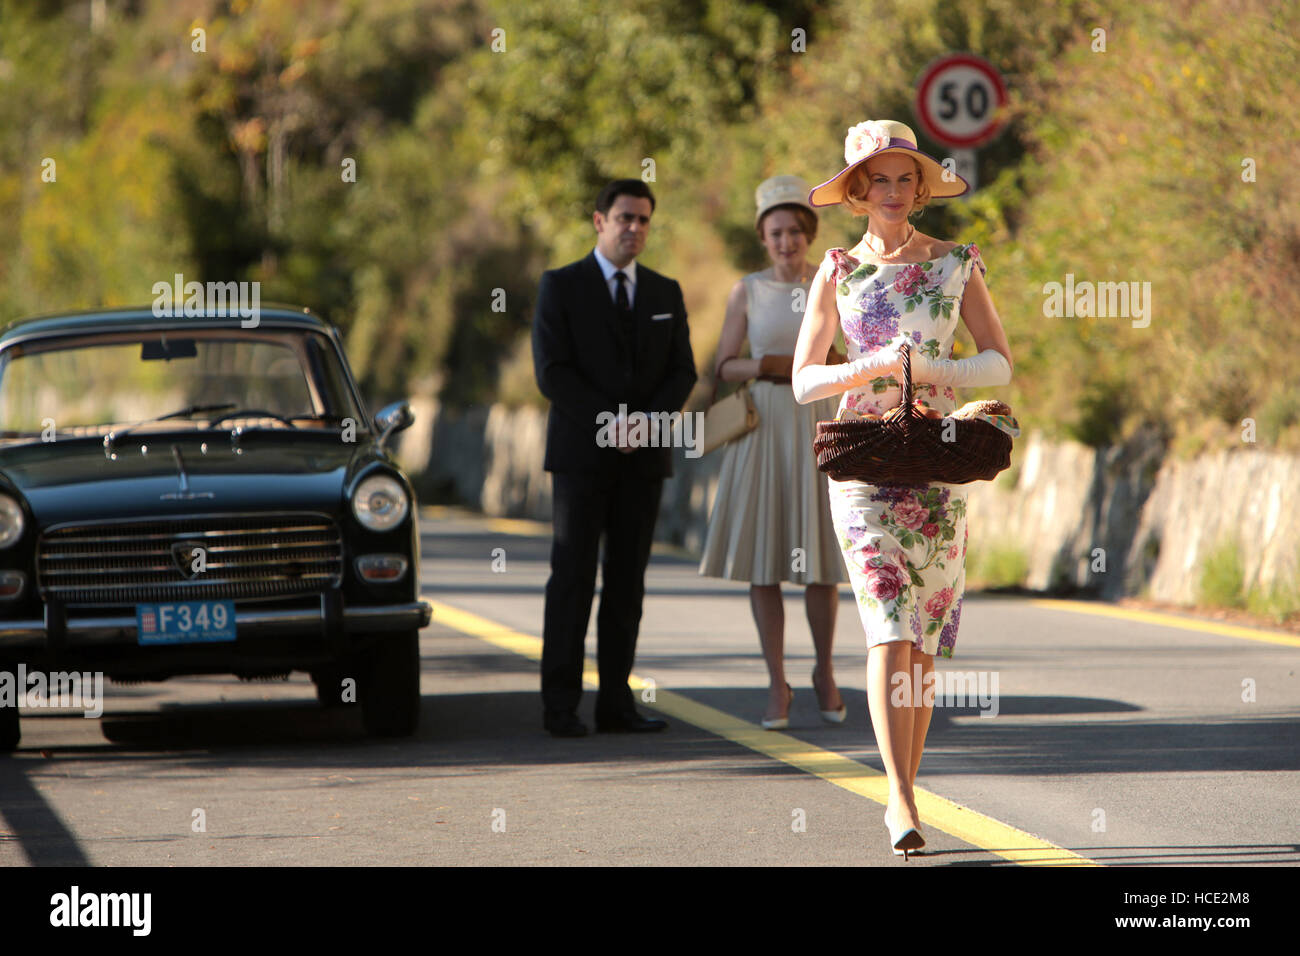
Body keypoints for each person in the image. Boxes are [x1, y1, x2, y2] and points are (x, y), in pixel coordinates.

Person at [792, 120, 1014, 859]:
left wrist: (933, 373)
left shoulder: (958, 263)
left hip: (939, 460)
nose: (892, 192)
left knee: (920, 641)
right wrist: (871, 368)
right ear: (856, 192)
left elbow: (998, 364)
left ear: (921, 188)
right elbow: (803, 380)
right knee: (888, 621)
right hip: (863, 461)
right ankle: (900, 796)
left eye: (904, 179)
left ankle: (909, 782)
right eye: (877, 180)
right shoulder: (835, 270)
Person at [531, 178, 698, 738]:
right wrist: (610, 423)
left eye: (644, 220)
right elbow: (552, 371)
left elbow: (683, 371)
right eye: (625, 218)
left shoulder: (664, 291)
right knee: (572, 579)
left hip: (643, 460)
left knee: (627, 584)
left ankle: (616, 705)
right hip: (581, 457)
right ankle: (560, 705)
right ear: (599, 221)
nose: (635, 229)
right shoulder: (560, 286)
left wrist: (646, 424)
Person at [699, 175, 849, 730]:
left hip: (816, 420)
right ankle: (776, 682)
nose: (786, 241)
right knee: (766, 562)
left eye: (794, 231)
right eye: (775, 232)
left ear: (808, 234)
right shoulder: (747, 290)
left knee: (820, 563)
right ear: (762, 237)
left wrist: (818, 365)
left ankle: (825, 672)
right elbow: (722, 366)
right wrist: (773, 366)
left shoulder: (832, 281)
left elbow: (853, 351)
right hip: (763, 426)